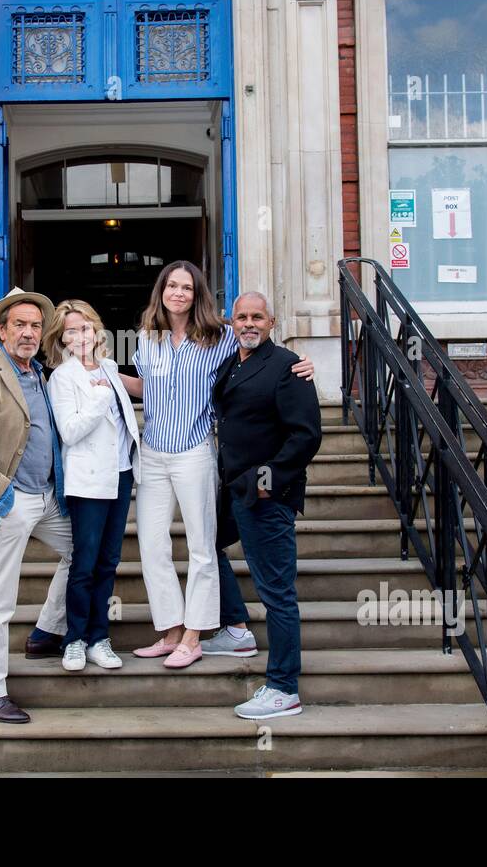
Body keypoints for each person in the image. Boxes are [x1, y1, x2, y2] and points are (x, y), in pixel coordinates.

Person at [116, 261, 314, 669]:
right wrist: (101, 374)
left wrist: (304, 365)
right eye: (172, 285)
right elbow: (145, 387)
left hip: (194, 451)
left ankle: (195, 634)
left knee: (203, 547)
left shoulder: (219, 336)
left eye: (187, 287)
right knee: (153, 546)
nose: (179, 293)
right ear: (162, 291)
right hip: (152, 452)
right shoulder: (147, 338)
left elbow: (257, 348)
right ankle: (170, 630)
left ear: (197, 294)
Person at [0, 287, 72, 725]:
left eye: (35, 325)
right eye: (19, 325)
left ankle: (46, 630)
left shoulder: (42, 375)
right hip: (11, 500)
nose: (28, 332)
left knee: (84, 551)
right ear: (2, 331)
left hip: (47, 498)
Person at [213, 291, 322, 719]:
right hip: (231, 487)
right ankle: (236, 627)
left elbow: (306, 435)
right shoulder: (231, 361)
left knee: (277, 593)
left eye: (257, 317)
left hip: (266, 493)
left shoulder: (288, 366)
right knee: (209, 548)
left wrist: (265, 483)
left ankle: (283, 687)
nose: (249, 323)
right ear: (232, 322)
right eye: (242, 317)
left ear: (272, 322)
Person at [43, 300, 141, 672]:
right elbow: (69, 431)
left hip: (120, 474)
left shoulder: (111, 368)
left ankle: (100, 638)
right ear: (62, 338)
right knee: (84, 564)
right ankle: (74, 640)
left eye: (84, 327)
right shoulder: (62, 377)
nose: (79, 335)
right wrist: (100, 396)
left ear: (96, 330)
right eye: (70, 330)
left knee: (109, 562)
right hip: (87, 482)